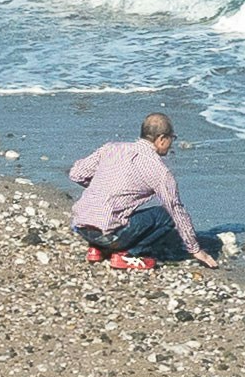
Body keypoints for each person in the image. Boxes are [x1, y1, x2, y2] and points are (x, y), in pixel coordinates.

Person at [68, 113, 219, 272]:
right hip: (110, 233)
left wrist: (101, 189)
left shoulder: (111, 148)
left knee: (115, 212)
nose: (170, 144)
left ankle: (96, 249)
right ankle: (128, 255)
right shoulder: (159, 170)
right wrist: (196, 249)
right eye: (171, 139)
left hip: (81, 225)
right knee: (166, 215)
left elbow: (76, 174)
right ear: (161, 139)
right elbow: (175, 210)